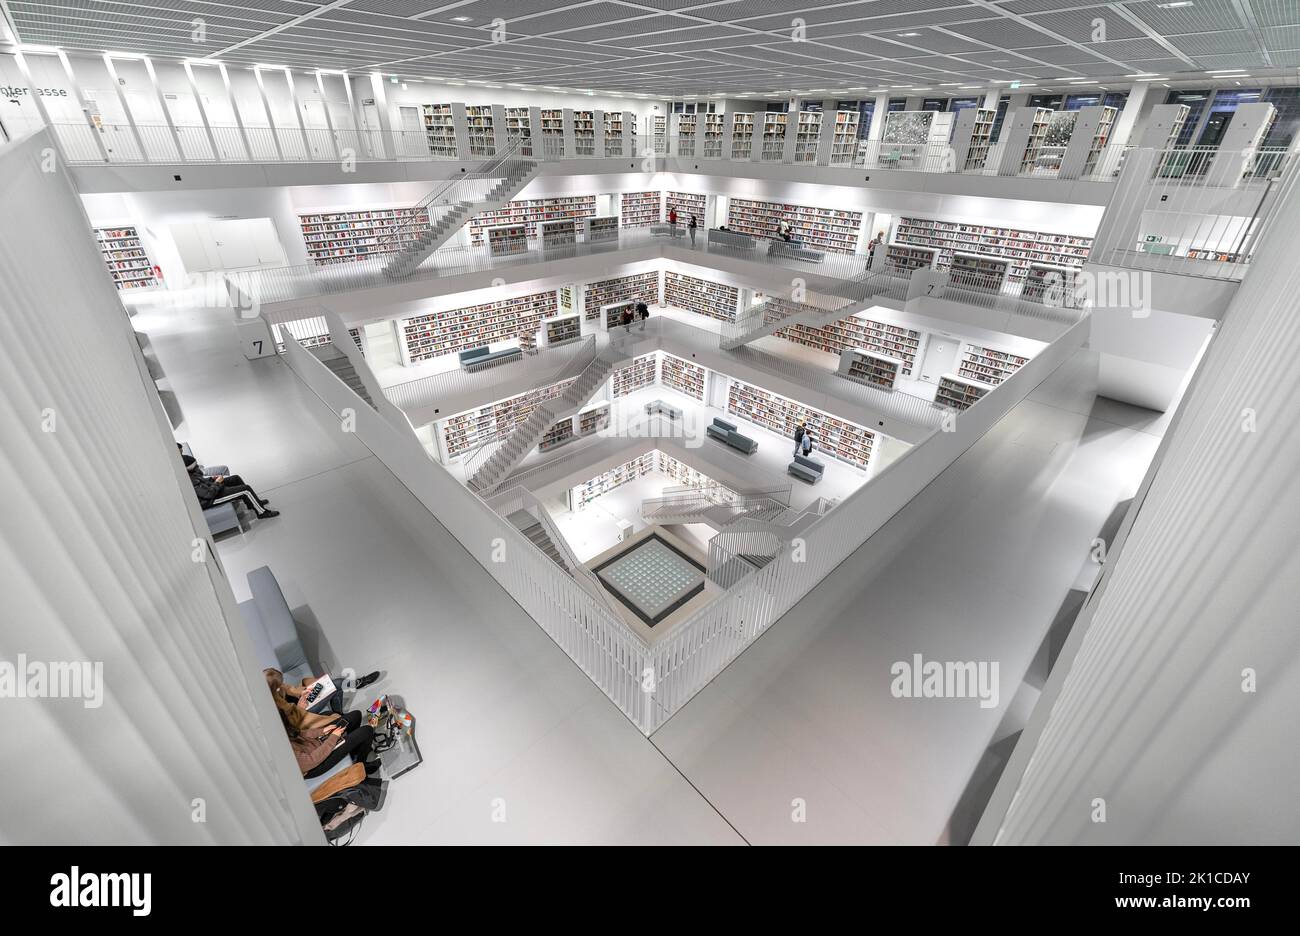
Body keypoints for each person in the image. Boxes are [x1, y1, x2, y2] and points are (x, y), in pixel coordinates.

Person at [268, 673, 378, 779]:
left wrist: (322, 731)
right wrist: (333, 738)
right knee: (366, 730)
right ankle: (362, 765)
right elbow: (312, 760)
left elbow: (299, 733)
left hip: (315, 744)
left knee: (356, 715)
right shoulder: (284, 751)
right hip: (316, 763)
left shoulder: (280, 728)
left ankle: (354, 751)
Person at [180, 444, 279, 519]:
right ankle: (261, 513)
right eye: (196, 466)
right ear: (190, 468)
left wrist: (212, 479)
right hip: (210, 500)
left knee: (235, 478)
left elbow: (202, 483)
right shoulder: (190, 480)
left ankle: (253, 503)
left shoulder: (192, 473)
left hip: (211, 489)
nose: (198, 467)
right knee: (246, 490)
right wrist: (217, 482)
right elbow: (209, 494)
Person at [265, 667, 381, 718]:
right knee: (336, 684)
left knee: (329, 685)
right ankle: (359, 683)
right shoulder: (275, 706)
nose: (282, 684)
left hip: (304, 700)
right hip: (302, 712)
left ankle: (339, 714)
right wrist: (301, 706)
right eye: (280, 684)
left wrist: (305, 691)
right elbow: (294, 720)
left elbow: (293, 690)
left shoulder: (274, 685)